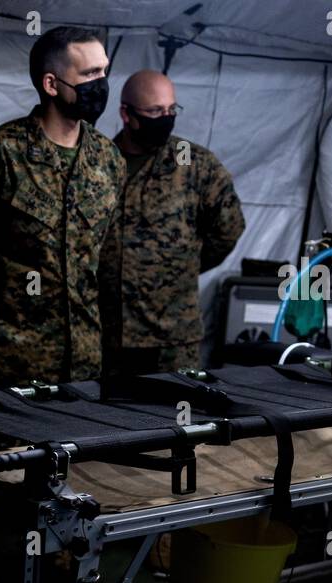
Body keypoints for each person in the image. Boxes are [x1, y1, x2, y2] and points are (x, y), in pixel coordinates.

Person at [0, 26, 125, 392]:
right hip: (5, 366)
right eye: (89, 74)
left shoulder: (108, 159)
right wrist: (0, 311)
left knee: (80, 451)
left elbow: (107, 258)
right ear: (51, 84)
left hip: (81, 366)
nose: (101, 83)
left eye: (103, 71)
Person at [101, 70, 245, 375]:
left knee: (173, 416)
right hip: (105, 333)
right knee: (104, 418)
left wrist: (183, 267)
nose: (165, 118)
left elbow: (228, 228)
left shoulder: (194, 163)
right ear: (126, 114)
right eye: (154, 111)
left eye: (171, 110)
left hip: (172, 337)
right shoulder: (98, 161)